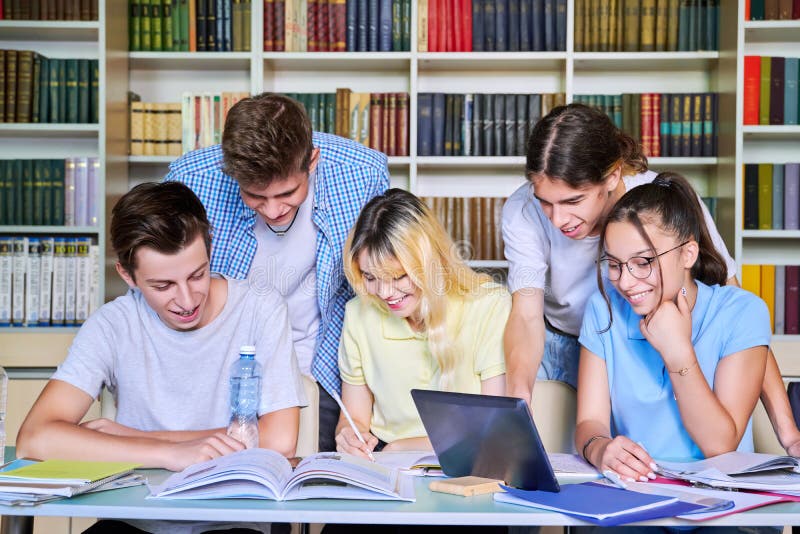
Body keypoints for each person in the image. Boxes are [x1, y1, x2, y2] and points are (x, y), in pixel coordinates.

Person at [502, 103, 800, 456]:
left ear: (612, 177)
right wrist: (518, 399)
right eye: (545, 203)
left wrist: (788, 429)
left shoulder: (663, 203)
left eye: (573, 200)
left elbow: (742, 320)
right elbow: (526, 315)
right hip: (575, 335)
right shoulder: (524, 212)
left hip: (655, 330)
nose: (557, 219)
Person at [17, 182, 305, 534]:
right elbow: (35, 438)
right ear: (127, 275)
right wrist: (168, 453)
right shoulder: (112, 323)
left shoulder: (261, 308)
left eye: (197, 275)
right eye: (163, 286)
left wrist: (128, 439)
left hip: (235, 521)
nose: (187, 300)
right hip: (134, 519)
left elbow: (277, 443)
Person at [165, 93, 389, 452]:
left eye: (287, 193)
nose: (272, 210)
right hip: (223, 366)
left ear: (312, 161)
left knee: (317, 486)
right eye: (255, 196)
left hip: (324, 366)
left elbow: (379, 276)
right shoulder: (189, 181)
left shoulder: (363, 173)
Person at [576, 172, 770, 480]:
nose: (625, 282)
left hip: (724, 500)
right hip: (638, 494)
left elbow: (720, 445)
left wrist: (678, 354)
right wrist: (599, 448)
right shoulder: (603, 309)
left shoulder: (742, 312)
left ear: (688, 254)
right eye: (614, 265)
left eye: (643, 262)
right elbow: (590, 422)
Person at [333, 188, 510, 459]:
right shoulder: (359, 313)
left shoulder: (489, 305)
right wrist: (348, 435)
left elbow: (493, 427)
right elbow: (355, 417)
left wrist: (398, 448)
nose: (384, 293)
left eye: (398, 276)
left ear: (432, 262)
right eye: (370, 277)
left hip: (471, 460)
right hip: (384, 459)